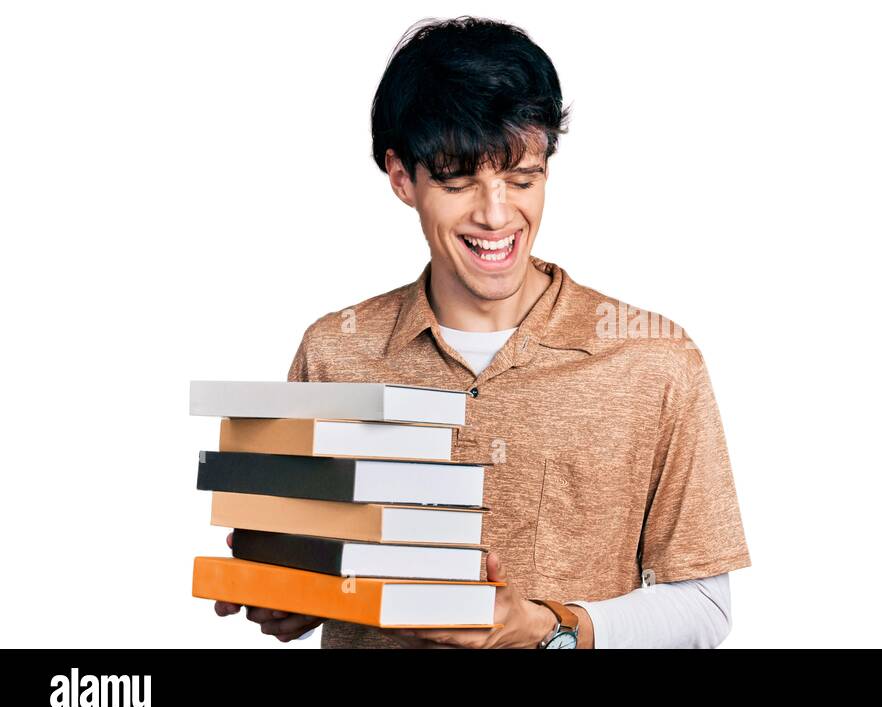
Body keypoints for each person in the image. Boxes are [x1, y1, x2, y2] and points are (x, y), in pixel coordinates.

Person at [213, 16, 750, 648]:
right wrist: (286, 595)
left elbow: (705, 609)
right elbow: (290, 571)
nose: (497, 215)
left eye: (522, 179)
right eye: (458, 180)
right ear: (401, 177)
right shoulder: (334, 351)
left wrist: (548, 628)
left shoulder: (656, 359)